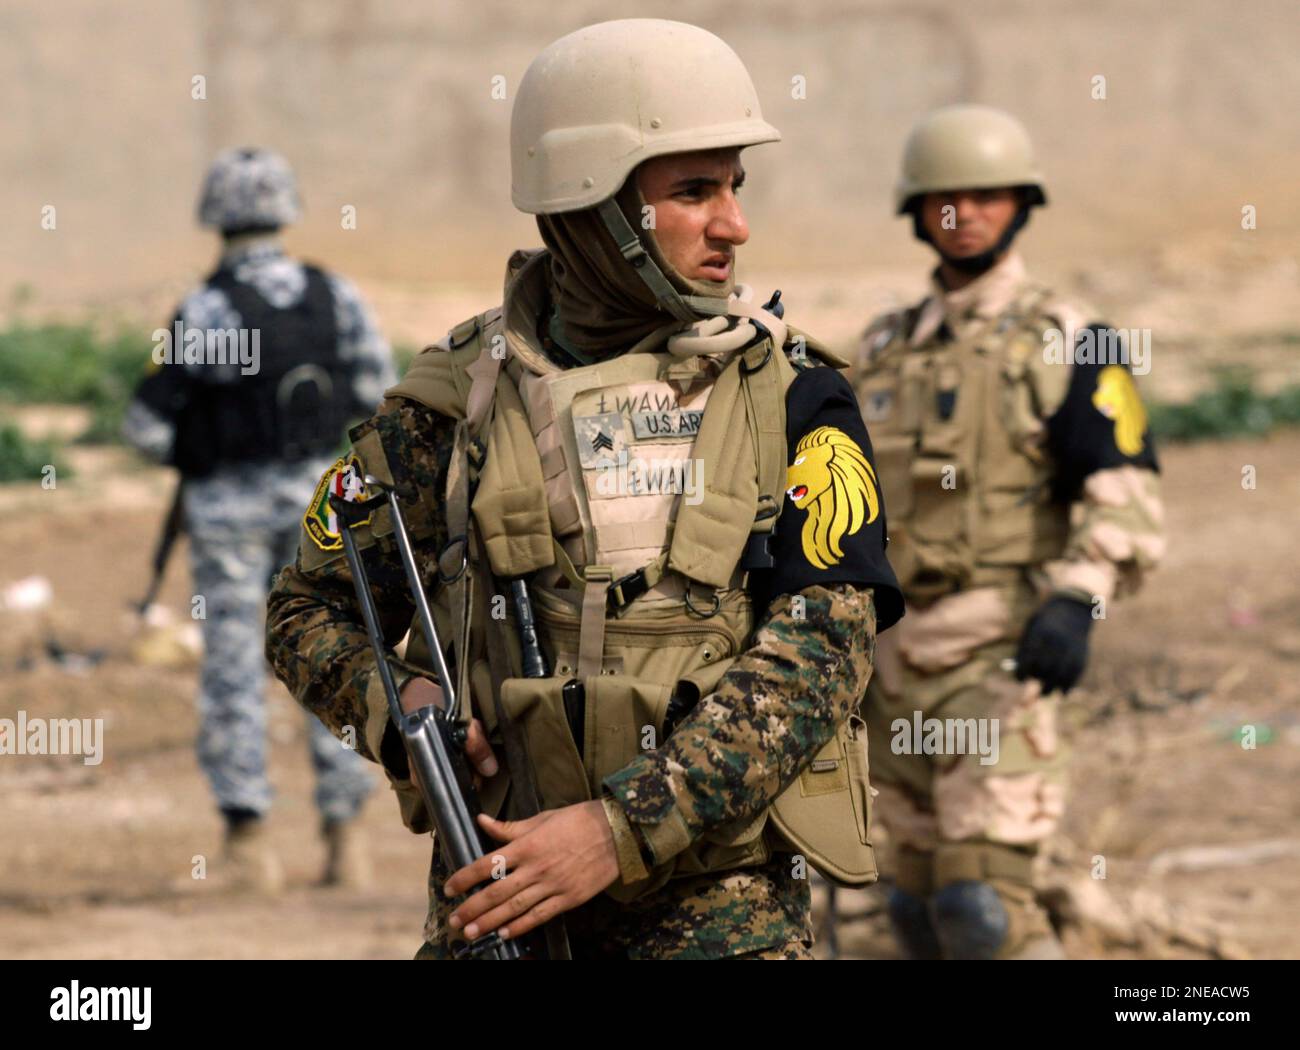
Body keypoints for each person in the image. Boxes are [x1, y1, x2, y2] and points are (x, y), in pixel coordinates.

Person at [267, 18, 903, 960]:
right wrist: (394, 702)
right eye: (693, 191)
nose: (734, 223)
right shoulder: (452, 402)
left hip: (717, 920)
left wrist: (618, 831)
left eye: (735, 186)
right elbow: (304, 608)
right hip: (499, 908)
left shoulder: (794, 394)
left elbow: (819, 659)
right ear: (593, 206)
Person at [848, 105, 1165, 959]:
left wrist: (1077, 600)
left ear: (1021, 206)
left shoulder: (1070, 341)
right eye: (945, 200)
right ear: (917, 212)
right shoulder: (879, 351)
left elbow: (1126, 493)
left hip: (1000, 657)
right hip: (890, 666)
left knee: (983, 908)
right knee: (912, 911)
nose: (965, 216)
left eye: (987, 196)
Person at [123, 147, 396, 893]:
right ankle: (347, 844)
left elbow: (146, 428)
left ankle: (247, 847)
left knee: (236, 669)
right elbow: (379, 390)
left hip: (228, 517)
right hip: (322, 508)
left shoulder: (206, 308)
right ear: (284, 207)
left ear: (216, 215)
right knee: (335, 653)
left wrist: (204, 451)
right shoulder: (333, 295)